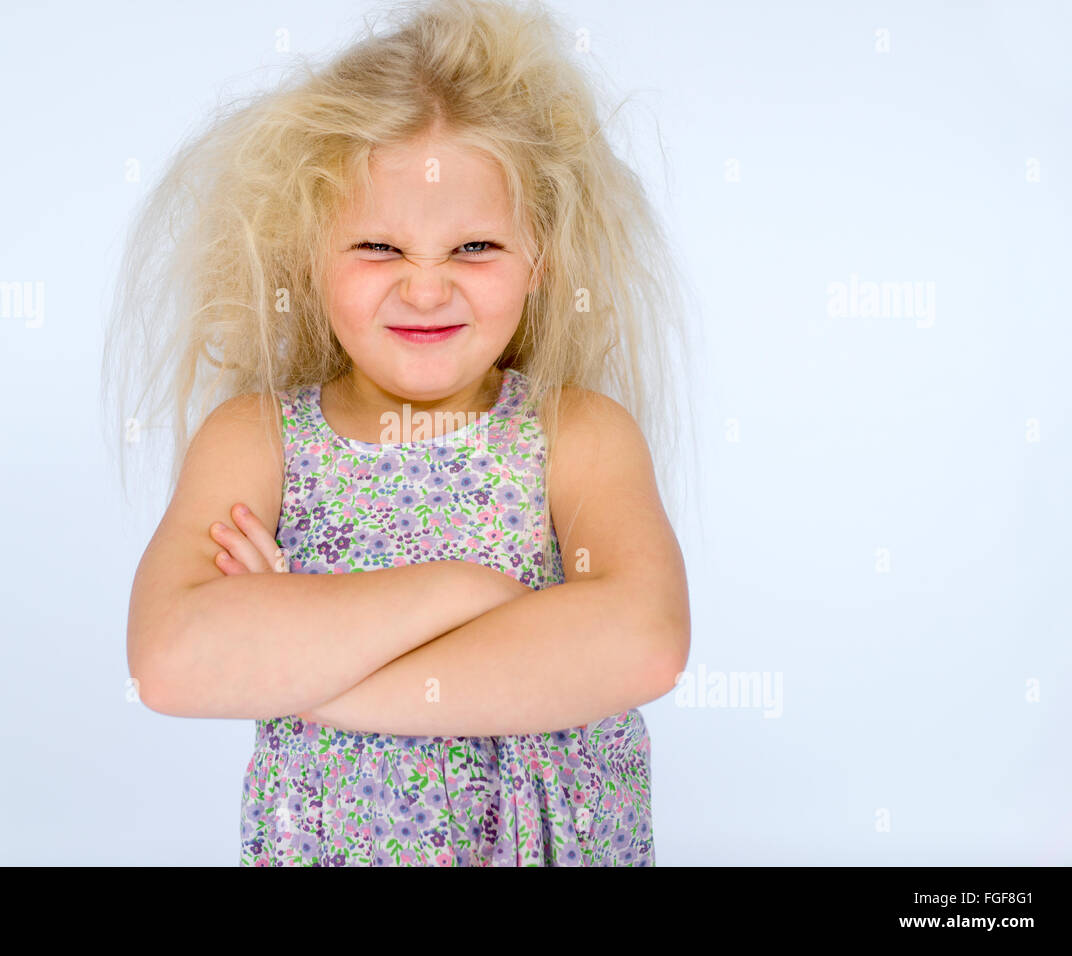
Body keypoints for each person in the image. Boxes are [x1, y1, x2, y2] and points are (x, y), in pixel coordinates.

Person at [103, 0, 695, 866]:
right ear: (308, 255)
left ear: (542, 261)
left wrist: (310, 678)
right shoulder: (259, 441)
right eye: (380, 246)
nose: (425, 290)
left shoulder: (576, 436)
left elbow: (642, 643)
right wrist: (465, 591)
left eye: (475, 248)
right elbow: (172, 661)